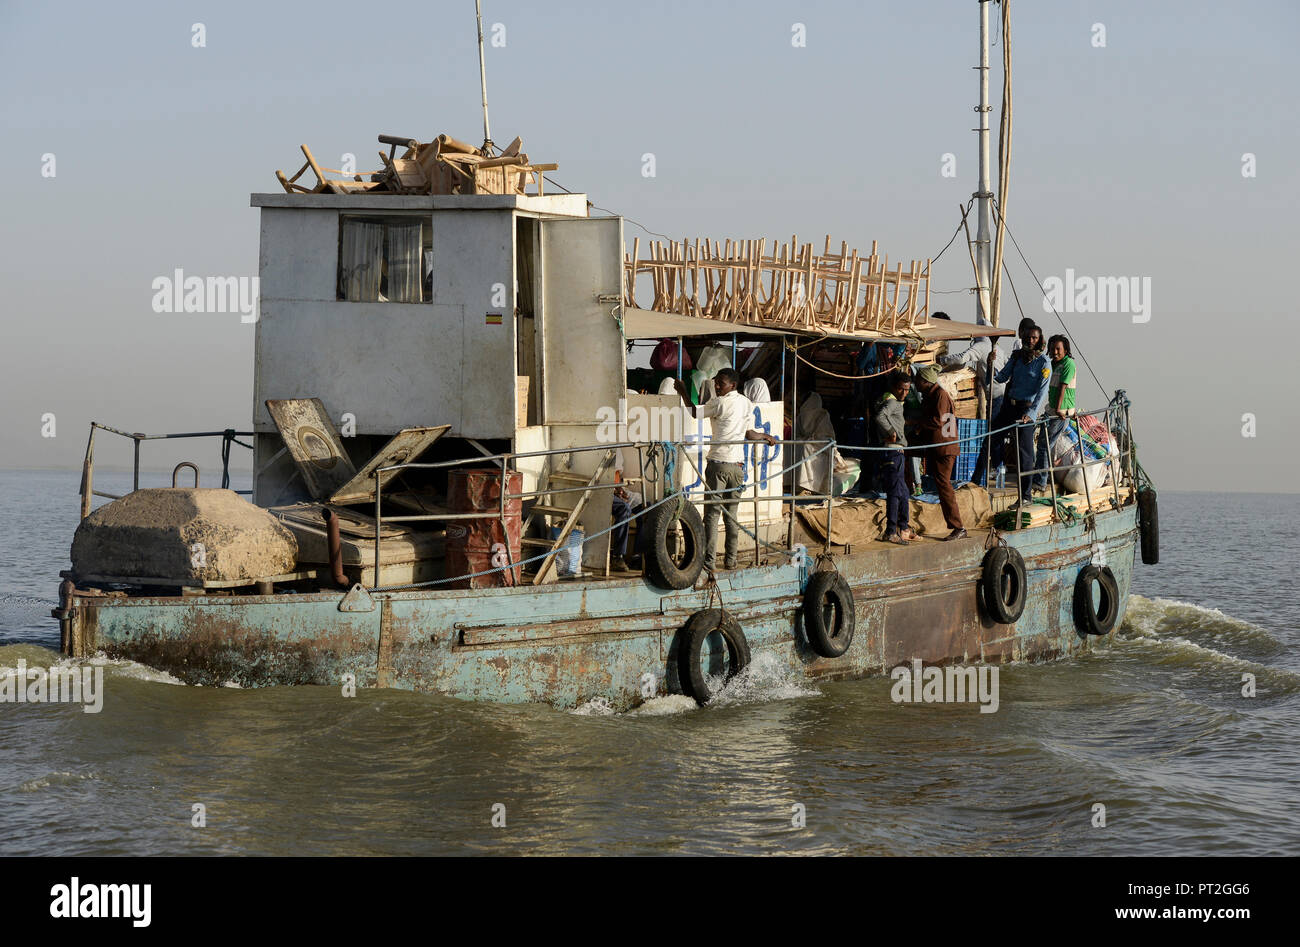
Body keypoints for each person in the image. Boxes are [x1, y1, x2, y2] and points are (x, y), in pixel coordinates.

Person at [672, 367, 778, 570]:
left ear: (733, 385)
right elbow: (749, 434)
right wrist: (766, 436)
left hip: (718, 465)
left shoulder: (719, 403)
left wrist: (683, 391)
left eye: (721, 383)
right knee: (731, 515)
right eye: (716, 383)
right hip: (737, 468)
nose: (717, 386)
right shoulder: (746, 403)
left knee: (712, 515)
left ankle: (709, 562)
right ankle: (731, 560)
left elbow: (694, 412)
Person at [987, 320, 1050, 505]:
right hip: (1009, 406)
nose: (1031, 340)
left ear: (1039, 340)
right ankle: (977, 482)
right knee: (992, 438)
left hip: (1026, 408)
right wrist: (991, 364)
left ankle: (1026, 496)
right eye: (1028, 337)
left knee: (1024, 452)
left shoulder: (1043, 362)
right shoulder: (1016, 357)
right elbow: (1002, 377)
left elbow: (1042, 391)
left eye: (1034, 338)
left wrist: (1031, 413)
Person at [915, 366, 966, 540]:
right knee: (941, 483)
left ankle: (958, 526)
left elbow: (937, 421)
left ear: (925, 381)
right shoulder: (931, 396)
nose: (916, 384)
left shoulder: (940, 395)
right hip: (938, 446)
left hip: (945, 447)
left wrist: (918, 424)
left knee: (944, 485)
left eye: (917, 381)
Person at [873, 370, 916, 544]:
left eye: (907, 390)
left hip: (897, 452)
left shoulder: (895, 402)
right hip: (892, 452)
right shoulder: (892, 402)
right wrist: (891, 432)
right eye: (901, 389)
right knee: (895, 493)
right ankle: (891, 531)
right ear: (893, 388)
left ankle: (904, 528)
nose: (904, 393)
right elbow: (880, 416)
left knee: (903, 492)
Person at [1031, 335, 1077, 493]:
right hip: (1051, 410)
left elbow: (1063, 387)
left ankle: (1040, 482)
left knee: (1044, 445)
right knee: (1042, 444)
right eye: (1053, 349)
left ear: (1065, 350)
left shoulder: (1068, 364)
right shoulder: (1052, 364)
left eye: (1058, 349)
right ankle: (1039, 477)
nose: (1055, 352)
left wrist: (1058, 409)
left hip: (1060, 413)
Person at [609, 447, 648, 573]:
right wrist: (614, 490)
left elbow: (617, 475)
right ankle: (618, 557)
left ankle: (637, 556)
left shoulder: (615, 446)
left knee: (646, 506)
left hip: (617, 489)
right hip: (604, 491)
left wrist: (620, 489)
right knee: (623, 509)